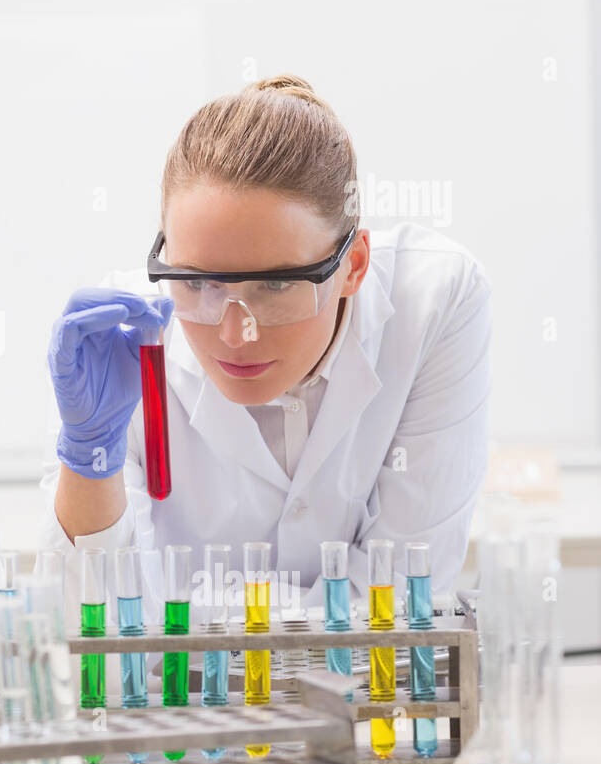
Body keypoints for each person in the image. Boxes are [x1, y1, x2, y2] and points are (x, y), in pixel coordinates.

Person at [42, 75, 491, 672]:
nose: (234, 333)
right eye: (198, 281)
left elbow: (398, 616)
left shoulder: (433, 301)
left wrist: (188, 625)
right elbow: (93, 653)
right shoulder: (122, 340)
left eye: (277, 285)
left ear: (353, 264)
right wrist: (88, 458)